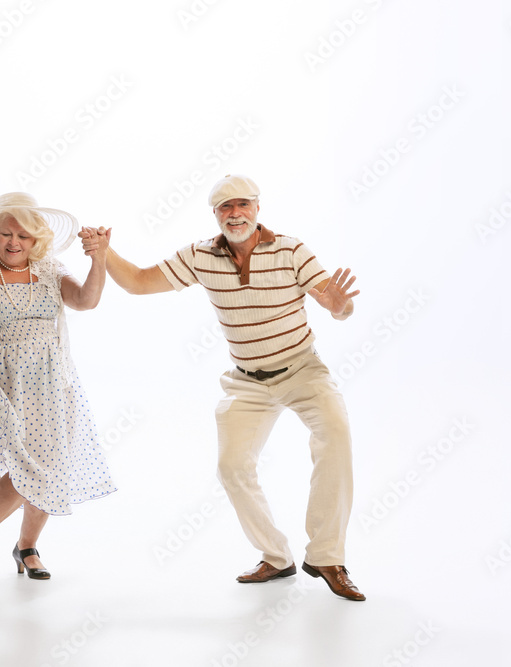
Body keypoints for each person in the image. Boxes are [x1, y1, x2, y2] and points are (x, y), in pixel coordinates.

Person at [81, 174, 365, 600]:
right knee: (232, 467)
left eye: (243, 204)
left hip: (303, 370)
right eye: (225, 207)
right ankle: (276, 557)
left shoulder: (291, 250)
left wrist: (340, 308)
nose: (235, 214)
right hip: (247, 382)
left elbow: (336, 302)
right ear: (215, 214)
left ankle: (326, 556)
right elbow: (139, 281)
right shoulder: (201, 256)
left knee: (336, 434)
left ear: (257, 208)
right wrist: (104, 252)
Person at [0, 192, 116, 586]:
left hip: (52, 382)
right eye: (6, 234)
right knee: (24, 467)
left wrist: (99, 259)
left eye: (23, 236)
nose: (13, 242)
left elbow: (86, 301)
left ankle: (27, 547)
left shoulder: (50, 270)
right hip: (3, 382)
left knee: (50, 465)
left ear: (37, 239)